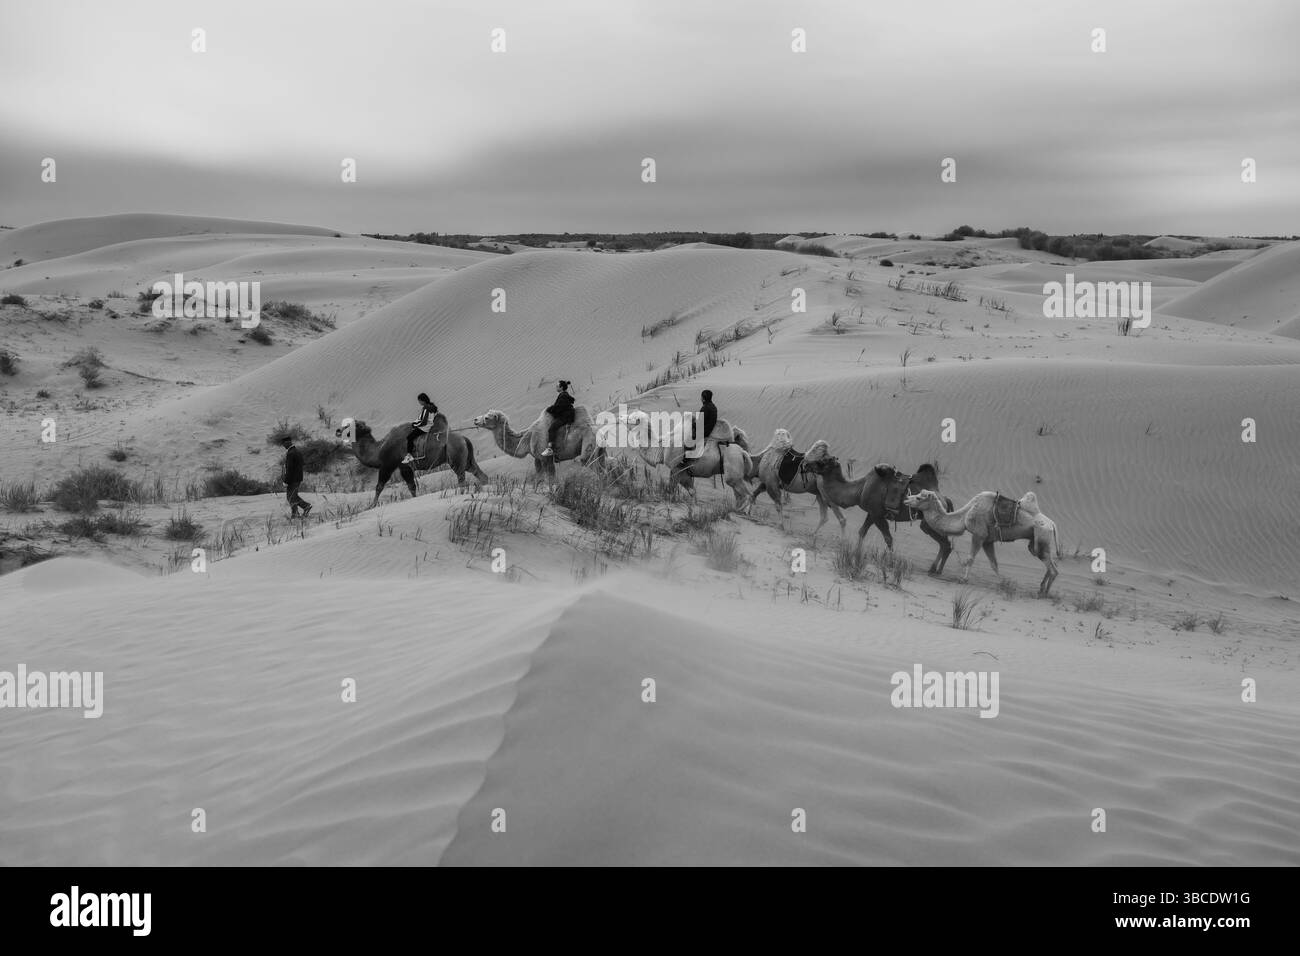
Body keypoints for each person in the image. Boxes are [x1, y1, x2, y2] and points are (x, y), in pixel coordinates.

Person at [401, 393, 438, 465]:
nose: (419, 402)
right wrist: (415, 423)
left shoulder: (426, 409)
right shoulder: (432, 407)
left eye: (419, 401)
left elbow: (423, 422)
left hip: (424, 428)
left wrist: (414, 425)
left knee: (409, 437)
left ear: (423, 401)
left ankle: (409, 455)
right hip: (429, 426)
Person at [542, 380, 576, 457]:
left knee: (552, 429)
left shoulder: (563, 396)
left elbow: (558, 408)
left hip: (566, 417)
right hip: (566, 415)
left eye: (557, 386)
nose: (556, 388)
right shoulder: (564, 395)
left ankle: (550, 449)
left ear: (561, 387)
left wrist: (549, 409)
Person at [281, 436, 311, 518]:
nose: (283, 445)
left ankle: (304, 508)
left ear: (288, 442)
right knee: (293, 497)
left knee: (291, 497)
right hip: (297, 478)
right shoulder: (296, 451)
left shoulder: (291, 453)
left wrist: (286, 481)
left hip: (293, 479)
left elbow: (290, 469)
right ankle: (296, 514)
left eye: (284, 443)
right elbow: (301, 464)